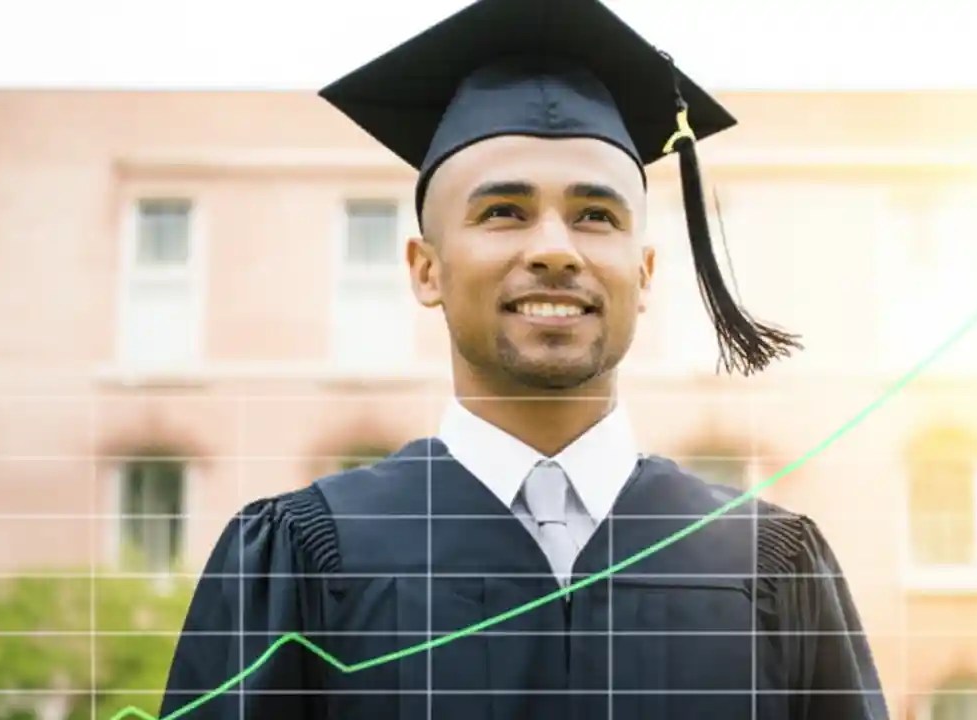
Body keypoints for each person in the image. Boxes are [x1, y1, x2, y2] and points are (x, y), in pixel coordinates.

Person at [158, 0, 889, 717]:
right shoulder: (306, 557)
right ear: (425, 269)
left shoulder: (768, 564)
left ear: (644, 273)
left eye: (595, 217)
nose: (553, 249)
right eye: (502, 211)